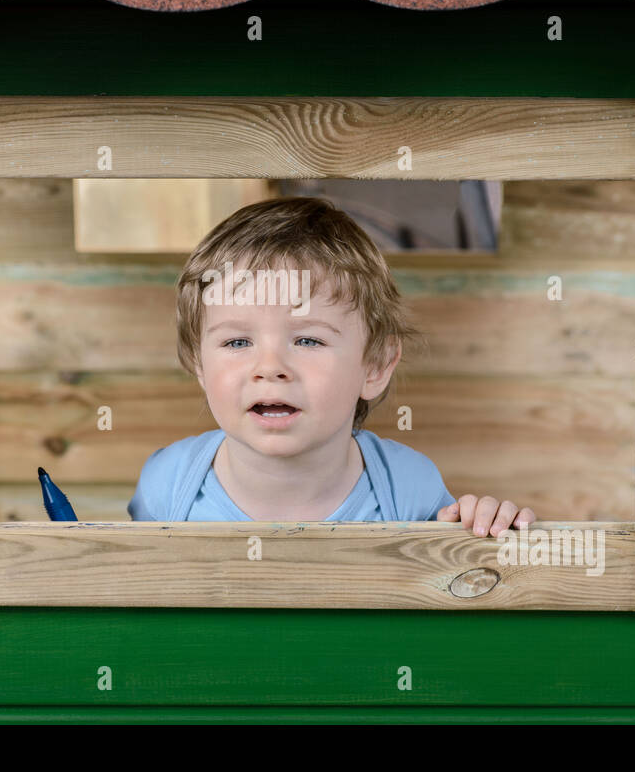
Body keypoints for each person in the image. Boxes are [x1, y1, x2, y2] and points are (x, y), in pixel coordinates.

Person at [128, 195, 536, 535]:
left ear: (374, 366)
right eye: (237, 341)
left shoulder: (409, 487)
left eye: (308, 339)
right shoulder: (167, 485)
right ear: (199, 365)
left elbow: (453, 581)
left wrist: (487, 525)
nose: (270, 367)